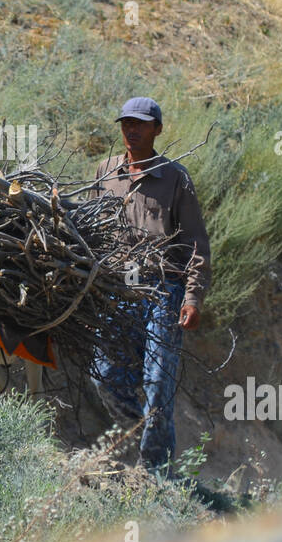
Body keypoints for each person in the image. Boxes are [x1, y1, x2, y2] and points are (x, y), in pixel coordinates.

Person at [88, 96, 211, 475]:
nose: (132, 130)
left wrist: (193, 296)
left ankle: (154, 470)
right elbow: (88, 233)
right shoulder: (104, 172)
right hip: (117, 291)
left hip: (162, 292)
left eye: (141, 124)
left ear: (157, 129)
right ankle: (142, 436)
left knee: (158, 382)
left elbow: (196, 243)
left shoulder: (176, 178)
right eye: (127, 123)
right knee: (104, 376)